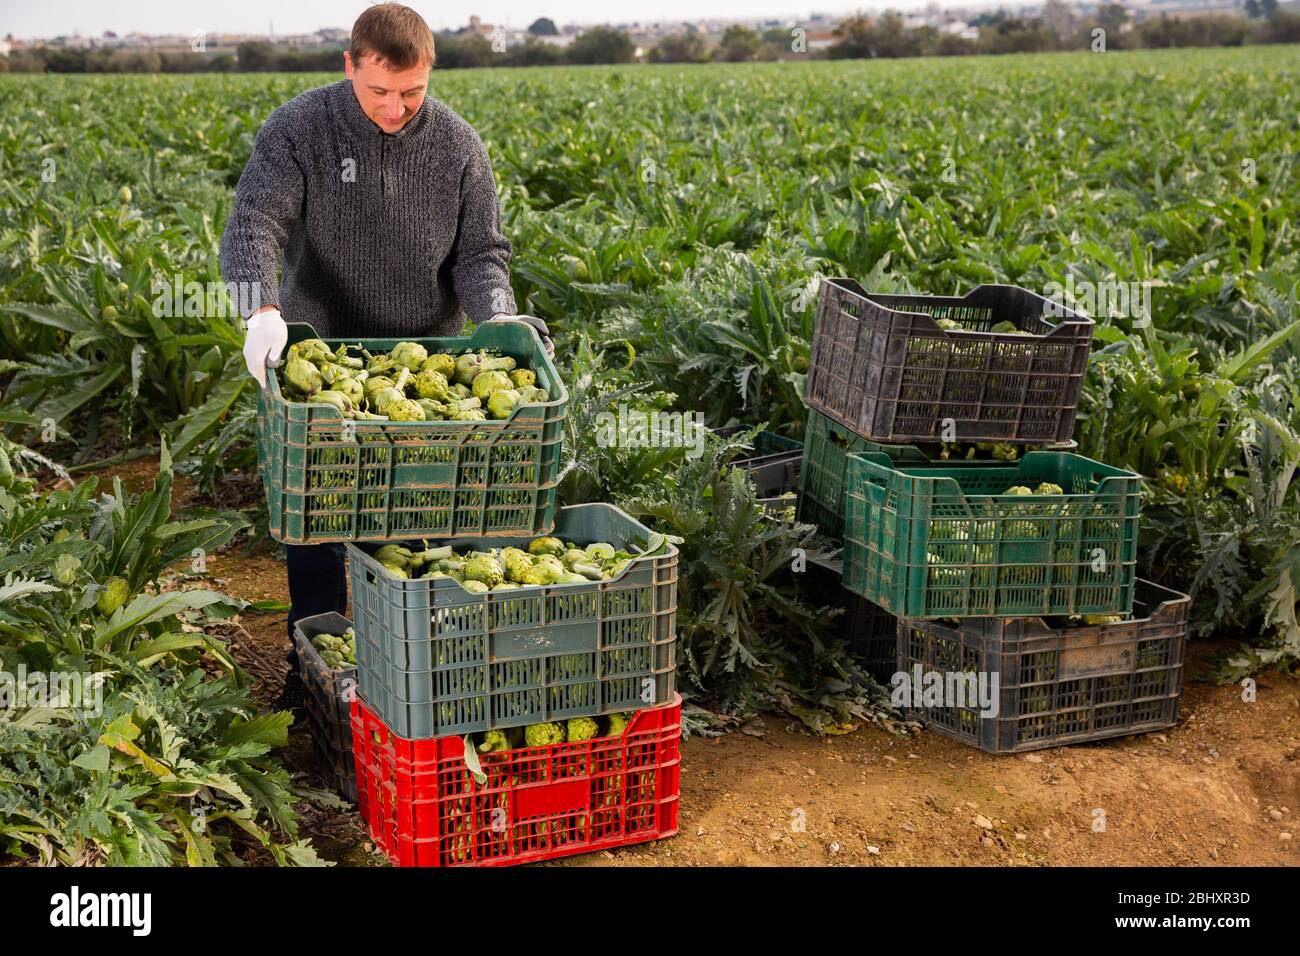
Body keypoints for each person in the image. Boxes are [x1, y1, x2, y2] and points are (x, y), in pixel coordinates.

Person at [220, 2, 551, 708]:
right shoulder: (300, 129)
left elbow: (481, 256)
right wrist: (261, 309)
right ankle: (314, 668)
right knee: (320, 516)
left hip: (422, 364)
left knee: (419, 513)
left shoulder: (459, 147)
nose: (396, 108)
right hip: (321, 360)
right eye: (379, 92)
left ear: (430, 73)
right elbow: (255, 222)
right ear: (349, 67)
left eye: (412, 92)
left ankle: (412, 675)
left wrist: (498, 317)